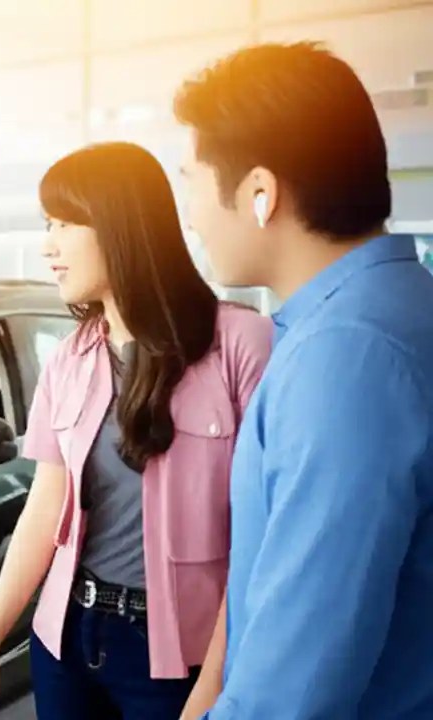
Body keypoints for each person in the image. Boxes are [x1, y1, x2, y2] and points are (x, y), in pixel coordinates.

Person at [0, 142, 272, 720]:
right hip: (68, 640)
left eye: (63, 223)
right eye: (45, 224)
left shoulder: (240, 345)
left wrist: (215, 678)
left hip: (181, 655)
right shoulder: (68, 358)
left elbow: (261, 535)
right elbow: (43, 511)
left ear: (120, 226)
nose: (47, 245)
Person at [174, 42, 433, 718]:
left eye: (191, 182)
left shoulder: (347, 361)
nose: (192, 216)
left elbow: (292, 696)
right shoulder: (380, 313)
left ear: (261, 193)